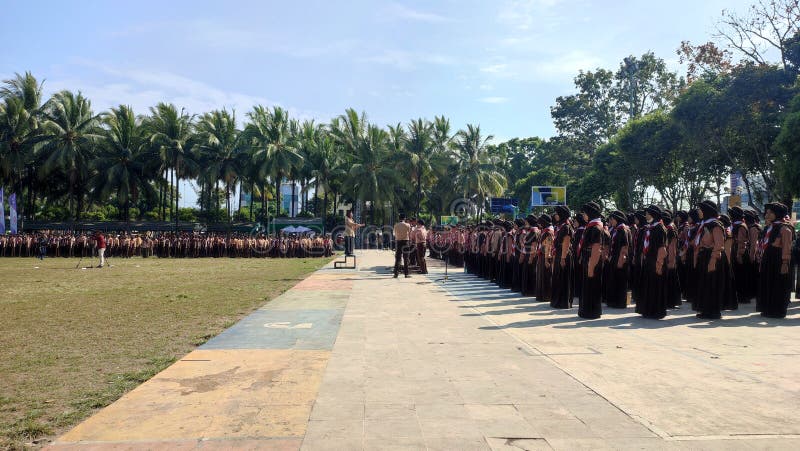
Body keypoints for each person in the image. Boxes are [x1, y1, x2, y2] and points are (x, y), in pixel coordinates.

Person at [694, 200, 734, 320]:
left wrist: (712, 260)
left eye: (700, 209)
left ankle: (713, 311)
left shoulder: (715, 225)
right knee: (705, 284)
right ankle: (705, 310)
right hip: (704, 256)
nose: (698, 211)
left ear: (706, 210)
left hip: (713, 257)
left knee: (713, 284)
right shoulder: (704, 224)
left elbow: (719, 244)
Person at [757, 202, 794, 318]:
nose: (766, 215)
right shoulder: (769, 227)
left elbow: (787, 247)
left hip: (778, 260)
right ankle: (768, 308)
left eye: (770, 212)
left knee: (778, 284)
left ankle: (777, 310)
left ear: (777, 213)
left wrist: (785, 262)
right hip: (768, 259)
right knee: (768, 283)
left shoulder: (784, 228)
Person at [637, 205, 668, 319]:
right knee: (648, 286)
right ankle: (648, 310)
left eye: (648, 213)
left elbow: (662, 249)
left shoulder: (660, 228)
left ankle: (656, 311)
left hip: (656, 261)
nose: (646, 215)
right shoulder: (649, 228)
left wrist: (659, 265)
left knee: (656, 286)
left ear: (653, 215)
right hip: (648, 261)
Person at [577, 202, 605, 319]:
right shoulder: (591, 226)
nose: (583, 215)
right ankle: (585, 310)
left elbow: (596, 248)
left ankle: (592, 312)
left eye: (585, 213)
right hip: (587, 259)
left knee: (592, 286)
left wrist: (591, 266)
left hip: (592, 261)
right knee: (587, 287)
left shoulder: (596, 228)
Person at [604, 210, 631, 309]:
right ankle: (613, 301)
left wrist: (620, 260)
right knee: (614, 280)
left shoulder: (623, 229)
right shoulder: (617, 229)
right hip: (614, 257)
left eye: (612, 219)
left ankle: (619, 303)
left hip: (620, 258)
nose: (611, 221)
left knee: (620, 281)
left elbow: (624, 247)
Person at [551, 205, 574, 309]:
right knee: (557, 277)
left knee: (563, 277)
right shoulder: (561, 226)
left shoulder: (566, 227)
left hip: (563, 253)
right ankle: (557, 300)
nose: (555, 215)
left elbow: (566, 242)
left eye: (557, 213)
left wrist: (563, 257)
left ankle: (563, 302)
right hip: (559, 253)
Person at [393, 214, 411, 278]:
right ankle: (406, 274)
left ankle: (396, 273)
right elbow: (409, 233)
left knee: (398, 258)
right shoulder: (407, 225)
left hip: (398, 242)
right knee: (406, 258)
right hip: (406, 242)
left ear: (399, 218)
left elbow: (394, 234)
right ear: (405, 218)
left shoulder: (396, 225)